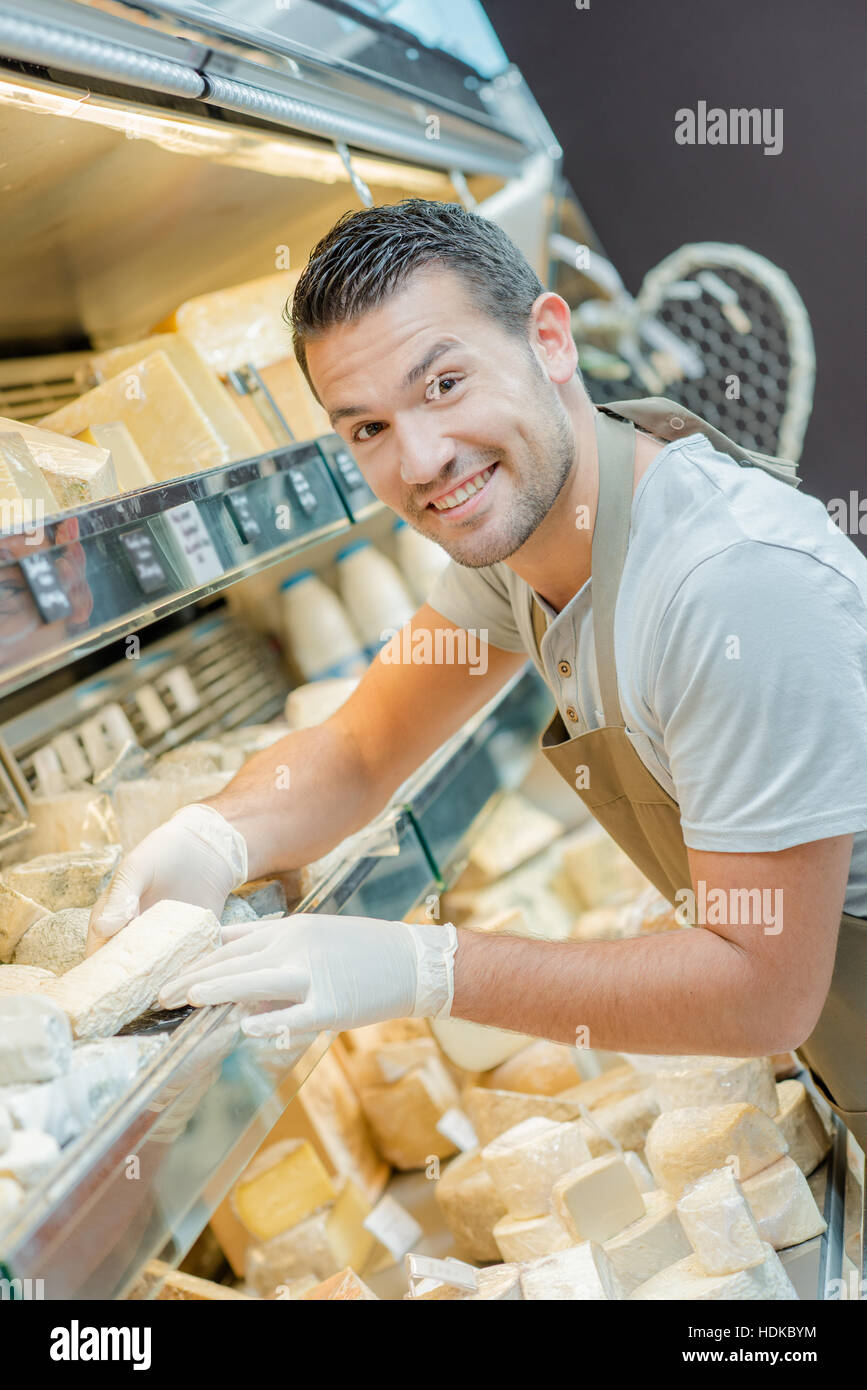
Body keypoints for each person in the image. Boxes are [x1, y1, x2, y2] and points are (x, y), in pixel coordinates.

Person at [88, 201, 867, 1143]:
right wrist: (215, 838)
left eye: (445, 384)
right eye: (367, 428)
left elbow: (759, 992)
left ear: (548, 341)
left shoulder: (729, 587)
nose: (421, 460)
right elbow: (361, 745)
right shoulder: (524, 551)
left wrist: (424, 969)